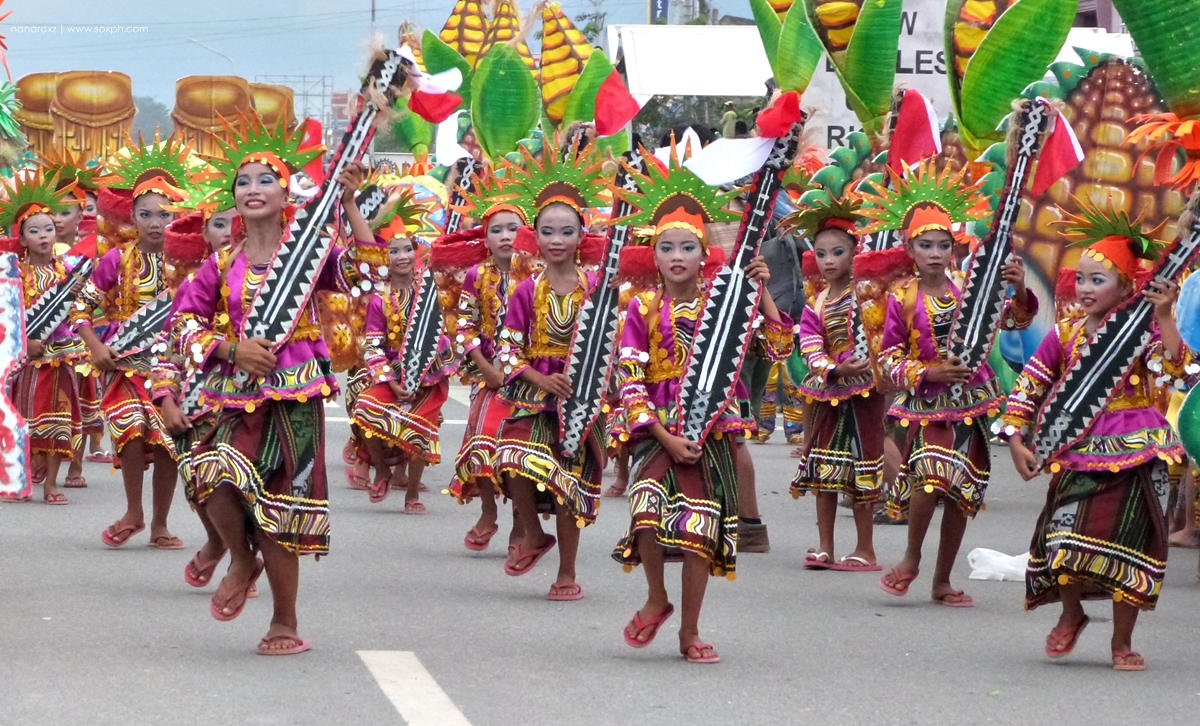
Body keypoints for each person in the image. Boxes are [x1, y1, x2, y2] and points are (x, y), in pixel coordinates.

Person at [169, 113, 384, 654]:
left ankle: (283, 622)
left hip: (295, 396)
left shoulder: (310, 257)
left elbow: (370, 275)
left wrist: (351, 204)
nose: (252, 188)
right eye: (242, 181)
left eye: (265, 179)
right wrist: (228, 347)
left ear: (287, 193)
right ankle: (242, 559)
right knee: (204, 471)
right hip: (236, 393)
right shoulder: (221, 264)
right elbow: (183, 322)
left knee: (278, 509)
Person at [610, 151, 792, 664]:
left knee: (695, 536)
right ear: (654, 255)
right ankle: (655, 596)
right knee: (646, 513)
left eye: (687, 246)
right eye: (666, 247)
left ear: (702, 255)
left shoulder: (726, 304)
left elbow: (778, 348)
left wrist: (762, 292)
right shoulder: (641, 309)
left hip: (713, 434)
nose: (676, 255)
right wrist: (662, 434)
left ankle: (689, 632)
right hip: (658, 433)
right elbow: (628, 375)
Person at [1002, 202, 1189, 670]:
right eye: (1081, 279)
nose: (1085, 289)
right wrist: (1014, 437)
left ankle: (1121, 644)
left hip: (1139, 452)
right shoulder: (1064, 334)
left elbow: (1181, 371)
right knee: (1062, 541)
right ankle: (1072, 615)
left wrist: (1165, 315)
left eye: (1097, 280)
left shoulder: (1141, 333)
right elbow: (1031, 383)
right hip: (1077, 449)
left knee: (1132, 548)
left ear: (1126, 287)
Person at [862, 162, 1037, 607]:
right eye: (926, 245)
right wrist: (929, 372)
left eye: (943, 244)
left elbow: (1015, 320)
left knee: (962, 493)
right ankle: (911, 558)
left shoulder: (970, 288)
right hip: (927, 405)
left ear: (953, 248)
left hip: (972, 403)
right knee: (929, 479)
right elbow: (886, 358)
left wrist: (1018, 291)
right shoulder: (900, 298)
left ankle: (941, 581)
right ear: (911, 249)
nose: (935, 253)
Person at [489, 142, 608, 600]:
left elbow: (611, 342)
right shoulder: (524, 289)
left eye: (566, 231)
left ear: (582, 235)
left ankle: (567, 573)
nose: (557, 240)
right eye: (547, 232)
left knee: (567, 488)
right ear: (534, 238)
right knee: (514, 460)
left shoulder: (597, 288)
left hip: (581, 400)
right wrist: (539, 379)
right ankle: (532, 534)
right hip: (533, 396)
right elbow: (507, 346)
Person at [70, 135, 199, 549]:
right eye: (146, 213)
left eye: (165, 213)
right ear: (133, 216)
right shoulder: (116, 259)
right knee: (128, 427)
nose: (156, 222)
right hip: (125, 367)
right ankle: (133, 511)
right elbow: (80, 309)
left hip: (174, 369)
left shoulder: (192, 266)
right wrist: (95, 346)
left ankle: (160, 523)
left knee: (166, 444)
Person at [786, 196, 885, 570]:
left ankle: (866, 548)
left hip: (865, 394)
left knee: (863, 467)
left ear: (855, 253)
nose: (829, 261)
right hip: (830, 391)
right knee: (823, 469)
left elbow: (883, 333)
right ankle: (825, 545)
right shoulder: (818, 302)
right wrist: (830, 369)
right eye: (822, 253)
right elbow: (809, 343)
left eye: (837, 252)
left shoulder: (871, 293)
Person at [155, 201, 242, 591]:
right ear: (204, 235)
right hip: (201, 401)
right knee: (203, 482)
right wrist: (166, 397)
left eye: (235, 221)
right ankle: (221, 540)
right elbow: (169, 344)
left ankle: (242, 558)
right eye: (218, 224)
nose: (228, 230)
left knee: (251, 486)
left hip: (269, 399)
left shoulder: (283, 281)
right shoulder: (194, 284)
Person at [352, 198, 454, 515]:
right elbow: (372, 344)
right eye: (394, 251)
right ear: (384, 257)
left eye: (407, 249)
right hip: (392, 374)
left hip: (429, 375)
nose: (402, 256)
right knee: (364, 409)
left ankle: (411, 493)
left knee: (423, 434)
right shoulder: (378, 300)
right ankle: (381, 470)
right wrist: (391, 381)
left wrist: (424, 366)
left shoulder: (432, 290)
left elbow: (444, 333)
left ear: (416, 252)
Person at [440, 181, 527, 549]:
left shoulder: (538, 276)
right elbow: (464, 326)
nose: (506, 236)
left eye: (514, 228)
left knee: (523, 453)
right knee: (482, 439)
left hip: (529, 378)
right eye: (497, 230)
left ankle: (522, 524)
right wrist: (486, 368)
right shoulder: (478, 277)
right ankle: (488, 511)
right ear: (486, 240)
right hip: (489, 376)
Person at [0, 170, 87, 504]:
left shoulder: (68, 271)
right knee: (25, 419)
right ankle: (22, 477)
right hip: (25, 359)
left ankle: (52, 483)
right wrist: (24, 344)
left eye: (48, 229)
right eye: (34, 231)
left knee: (58, 420)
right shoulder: (14, 273)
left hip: (61, 357)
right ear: (21, 239)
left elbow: (81, 309)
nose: (43, 236)